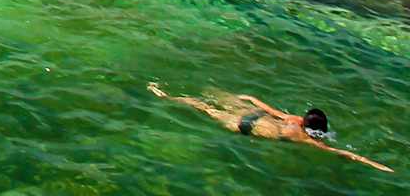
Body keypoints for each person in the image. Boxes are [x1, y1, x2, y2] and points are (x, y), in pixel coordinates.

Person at [147, 84, 389, 171]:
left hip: (254, 114)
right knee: (204, 108)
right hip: (245, 126)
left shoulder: (295, 120)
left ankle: (167, 93)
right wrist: (372, 163)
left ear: (306, 119)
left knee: (212, 94)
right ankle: (166, 96)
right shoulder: (303, 138)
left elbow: (273, 111)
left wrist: (252, 99)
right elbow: (343, 153)